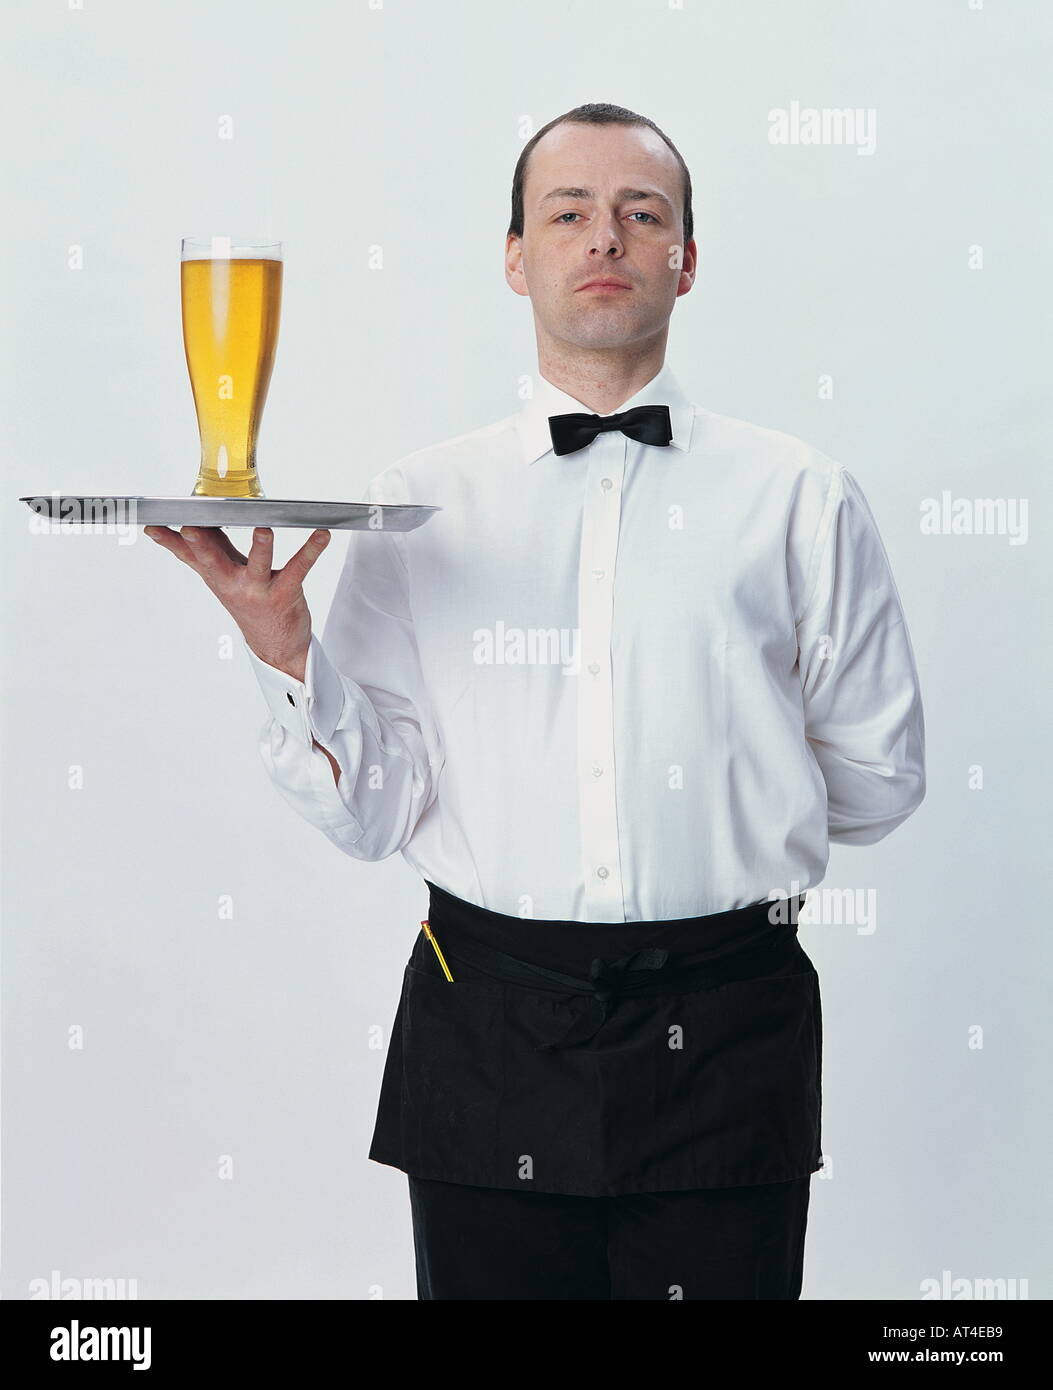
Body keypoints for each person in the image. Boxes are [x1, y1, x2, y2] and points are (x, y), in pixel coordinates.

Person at [146, 102, 926, 1300]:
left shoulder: (801, 495)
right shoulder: (417, 498)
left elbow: (879, 781)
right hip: (486, 1025)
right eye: (567, 212)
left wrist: (717, 789)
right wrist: (285, 648)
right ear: (516, 256)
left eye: (641, 213)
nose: (603, 236)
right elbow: (372, 817)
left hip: (732, 1032)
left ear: (687, 258)